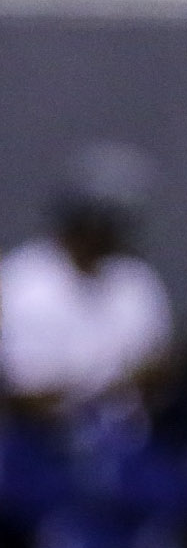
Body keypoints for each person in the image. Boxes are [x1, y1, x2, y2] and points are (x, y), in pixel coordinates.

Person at [0, 145, 171, 436]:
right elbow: (25, 392)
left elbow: (156, 369)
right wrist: (105, 386)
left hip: (124, 437)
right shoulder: (22, 279)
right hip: (34, 438)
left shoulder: (135, 281)